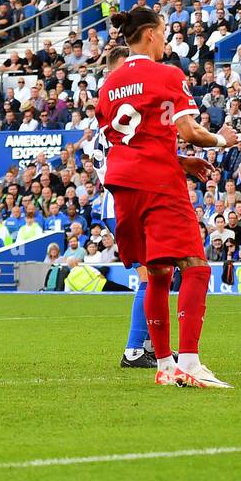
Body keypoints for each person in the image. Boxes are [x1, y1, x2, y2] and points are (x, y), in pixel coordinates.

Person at [95, 6, 241, 388]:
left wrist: (179, 160)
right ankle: (190, 363)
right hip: (159, 184)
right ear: (149, 34)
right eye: (163, 33)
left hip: (123, 187)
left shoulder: (108, 86)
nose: (165, 40)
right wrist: (221, 140)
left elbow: (129, 141)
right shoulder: (167, 74)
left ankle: (164, 365)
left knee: (158, 273)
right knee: (196, 266)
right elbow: (190, 131)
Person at [82, 46, 153, 368]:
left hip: (123, 201)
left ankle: (150, 346)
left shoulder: (111, 113)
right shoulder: (117, 114)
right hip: (125, 202)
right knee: (150, 275)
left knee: (159, 274)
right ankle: (135, 350)